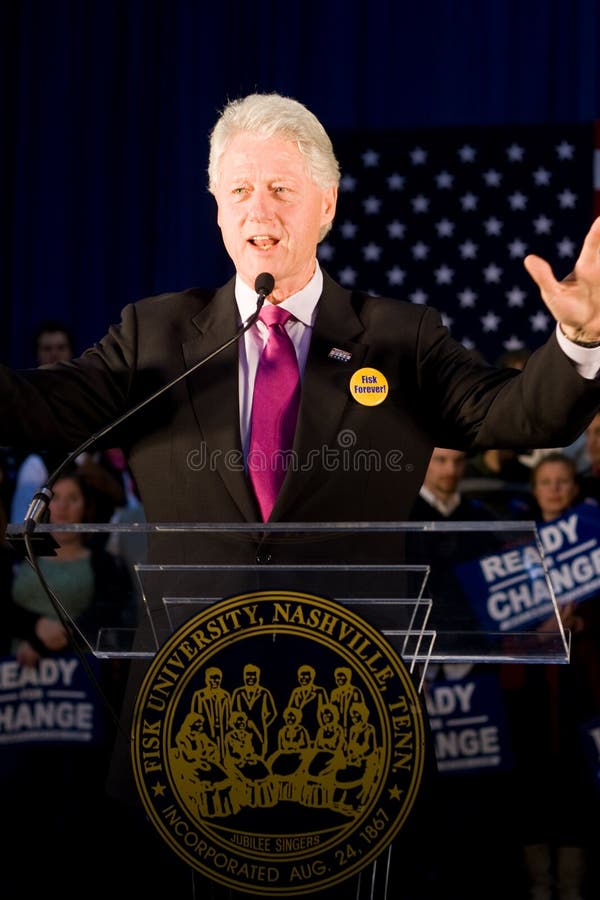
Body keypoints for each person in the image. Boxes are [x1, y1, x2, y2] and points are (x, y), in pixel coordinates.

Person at [1, 91, 600, 896]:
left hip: (353, 728)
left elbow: (517, 413)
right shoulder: (155, 335)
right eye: (240, 189)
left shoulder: (398, 337)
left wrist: (581, 340)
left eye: (282, 188)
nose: (260, 209)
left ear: (326, 203)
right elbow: (42, 406)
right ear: (215, 207)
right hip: (185, 726)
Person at [503, 453, 600, 900]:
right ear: (535, 488)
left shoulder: (594, 540)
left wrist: (581, 623)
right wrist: (536, 629)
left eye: (563, 481)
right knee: (533, 779)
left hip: (582, 683)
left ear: (574, 489)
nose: (556, 489)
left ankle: (574, 886)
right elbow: (500, 614)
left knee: (579, 780)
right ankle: (540, 885)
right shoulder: (515, 545)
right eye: (547, 481)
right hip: (532, 685)